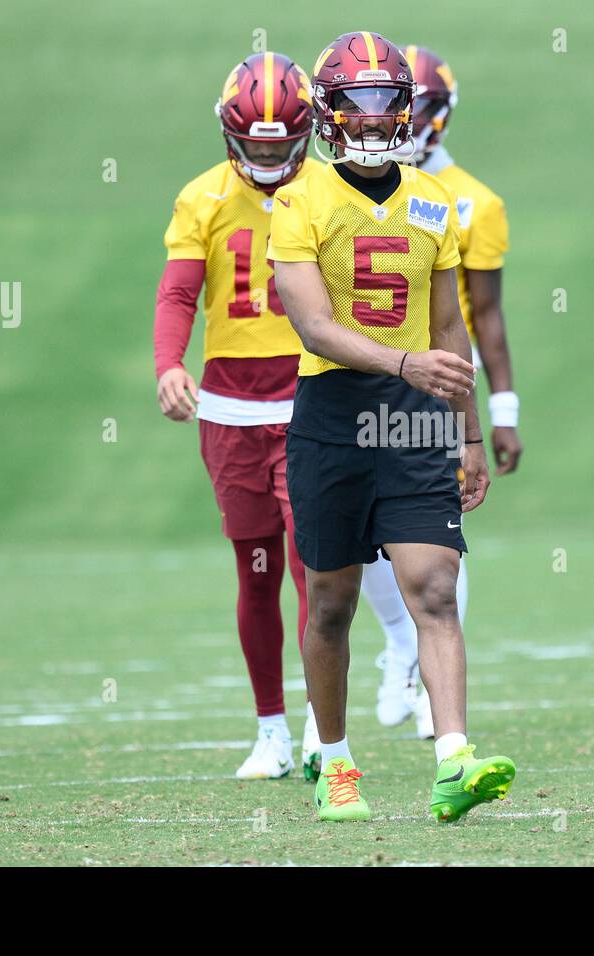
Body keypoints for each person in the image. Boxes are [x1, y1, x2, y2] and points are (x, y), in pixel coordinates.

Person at [267, 31, 516, 822]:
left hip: (413, 421)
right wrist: (405, 366)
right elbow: (312, 326)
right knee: (331, 602)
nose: (374, 120)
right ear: (328, 113)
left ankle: (455, 762)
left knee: (434, 589)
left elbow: (450, 329)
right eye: (355, 104)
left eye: (386, 104)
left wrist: (469, 431)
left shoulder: (436, 203)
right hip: (333, 415)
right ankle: (335, 762)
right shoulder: (300, 199)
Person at [152, 52, 315, 779]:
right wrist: (169, 364)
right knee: (256, 573)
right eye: (257, 145)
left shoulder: (326, 193)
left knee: (317, 572)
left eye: (282, 146)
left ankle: (322, 724)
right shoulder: (203, 198)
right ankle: (270, 729)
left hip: (313, 405)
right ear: (230, 136)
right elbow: (179, 294)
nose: (270, 158)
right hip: (231, 414)